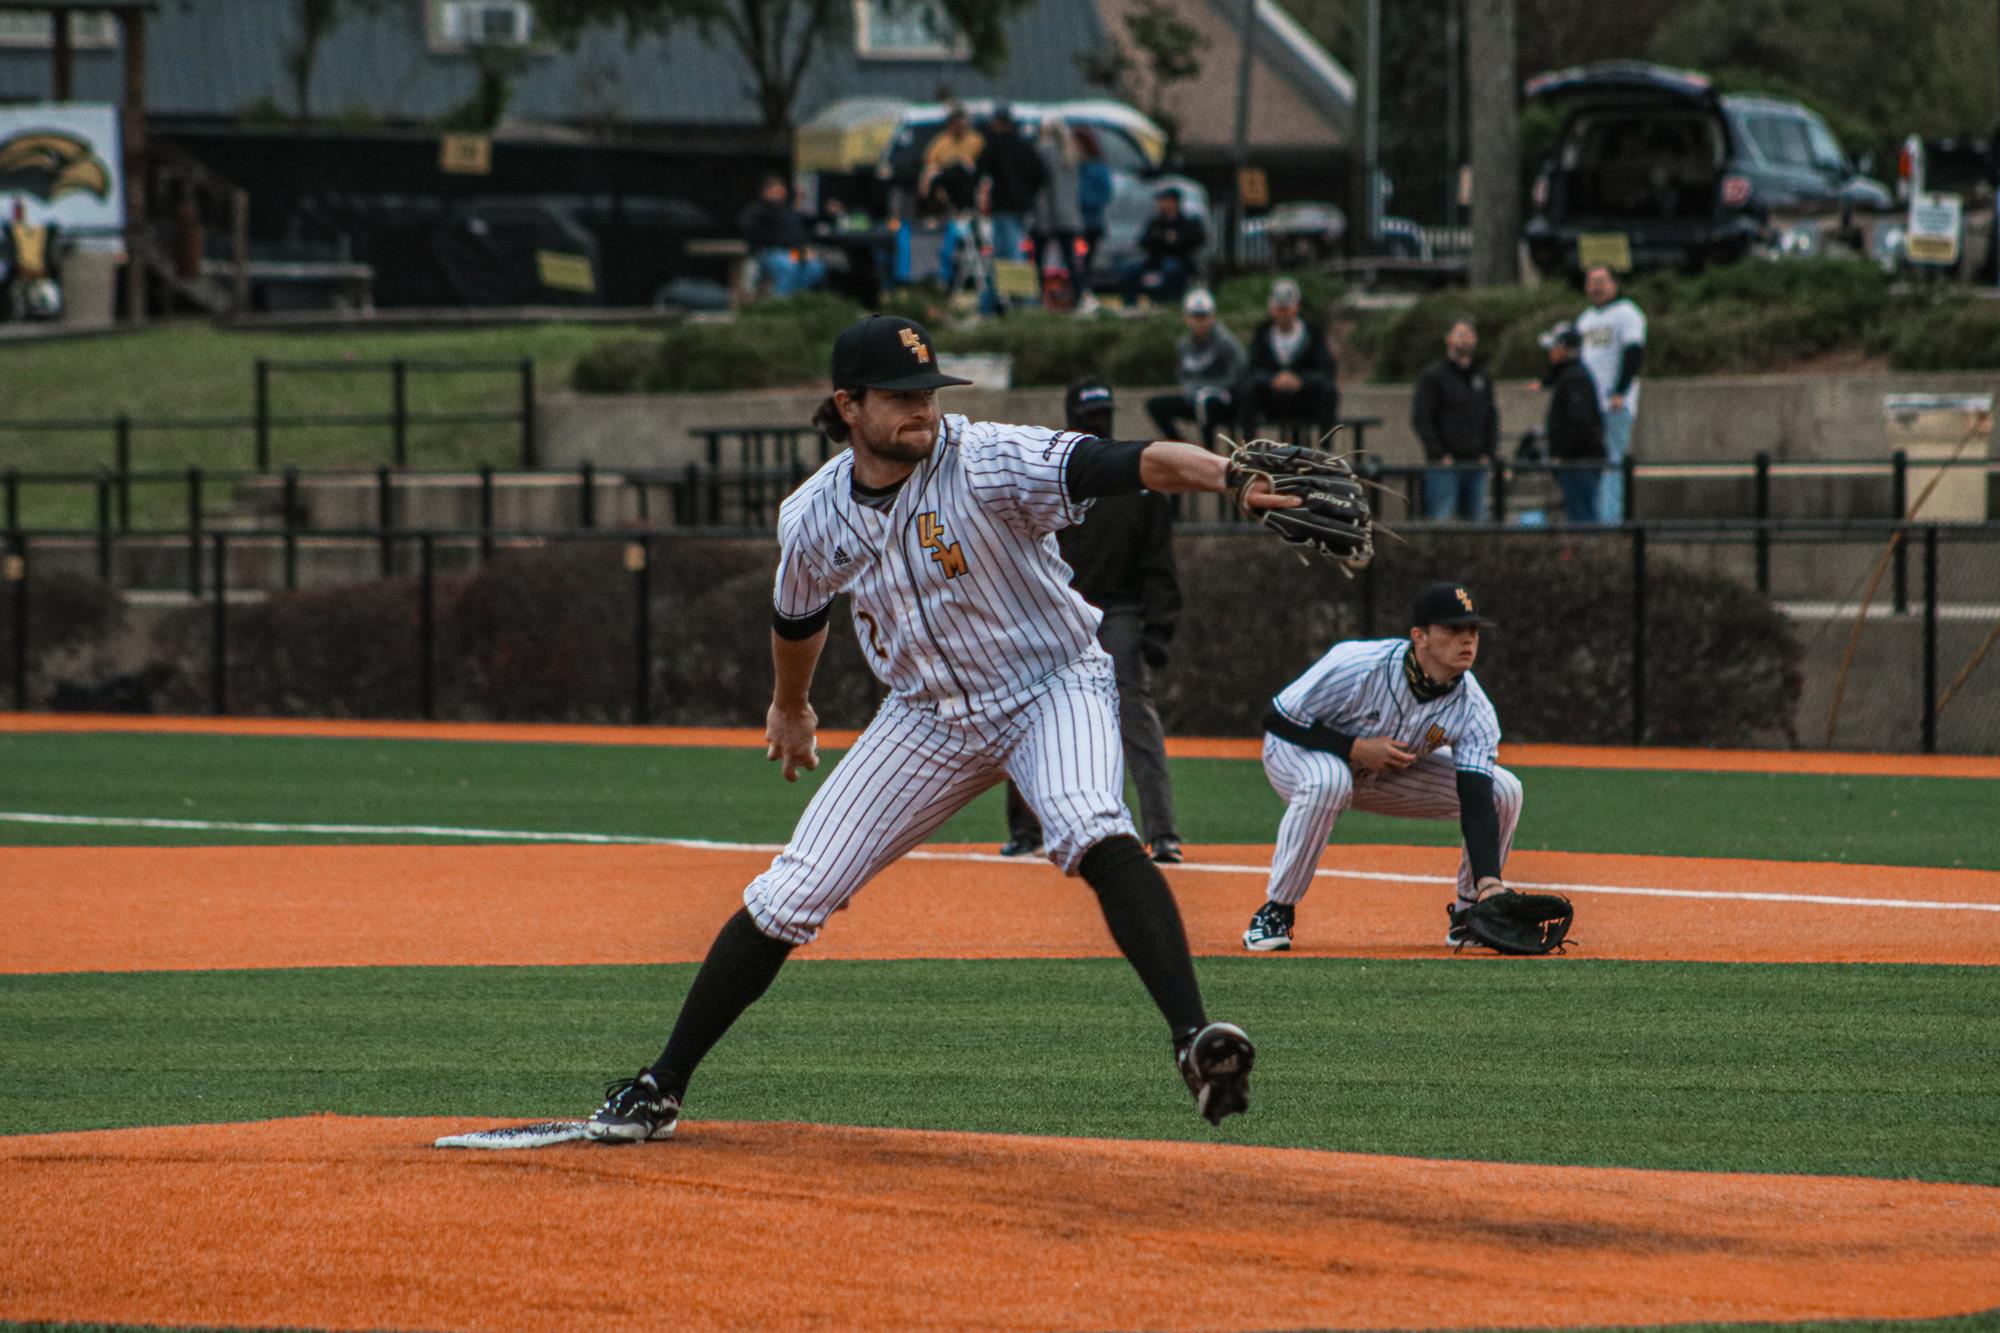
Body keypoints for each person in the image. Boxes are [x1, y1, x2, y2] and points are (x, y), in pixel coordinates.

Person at [581, 314, 1296, 1145]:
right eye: (899, 394)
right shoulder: (813, 514)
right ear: (848, 405)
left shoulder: (988, 459)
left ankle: (1191, 1041)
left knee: (1087, 821)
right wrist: (791, 705)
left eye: (928, 390)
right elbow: (796, 612)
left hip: (1049, 685)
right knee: (793, 888)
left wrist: (1229, 477)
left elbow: (1126, 461)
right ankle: (659, 1085)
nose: (922, 407)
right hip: (926, 716)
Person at [1241, 582, 1523, 953]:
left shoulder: (1474, 707)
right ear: (1419, 636)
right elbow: (1276, 717)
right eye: (1454, 629)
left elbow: (1475, 796)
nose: (1467, 640)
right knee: (1329, 780)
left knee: (1504, 790)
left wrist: (1490, 883)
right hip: (1296, 754)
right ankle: (1276, 911)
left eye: (1472, 631)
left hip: (1385, 773)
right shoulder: (1358, 665)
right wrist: (1354, 747)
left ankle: (1470, 916)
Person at [999, 378, 1185, 864]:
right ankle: (1025, 829)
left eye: (1103, 415)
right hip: (1053, 608)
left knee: (1133, 712)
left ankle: (1162, 832)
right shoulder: (1048, 476)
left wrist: (1159, 627)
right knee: (1027, 712)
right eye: (1090, 417)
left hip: (1116, 612)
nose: (1099, 424)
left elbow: (1158, 562)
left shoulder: (1137, 480)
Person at [1411, 316, 1499, 521]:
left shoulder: (1482, 376)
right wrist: (1438, 453)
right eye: (1460, 334)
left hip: (1476, 461)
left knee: (1478, 522)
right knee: (1442, 518)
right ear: (1448, 339)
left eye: (1469, 335)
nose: (1465, 340)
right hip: (1446, 464)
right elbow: (1422, 417)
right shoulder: (1433, 376)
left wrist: (1489, 451)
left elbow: (1490, 415)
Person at [1576, 265, 1646, 523]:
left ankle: (1610, 521)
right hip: (1589, 406)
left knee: (1612, 464)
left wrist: (1620, 391)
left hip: (1614, 405)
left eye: (1601, 281)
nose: (1596, 287)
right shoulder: (1585, 319)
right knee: (1592, 465)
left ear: (1614, 284)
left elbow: (1634, 352)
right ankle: (1593, 519)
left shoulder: (1626, 313)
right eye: (1591, 282)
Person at [1146, 288, 1247, 449]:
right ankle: (1183, 447)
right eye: (1195, 316)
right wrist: (1193, 391)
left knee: (1205, 403)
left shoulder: (1225, 342)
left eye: (1204, 316)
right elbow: (1183, 374)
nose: (1200, 321)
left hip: (1221, 399)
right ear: (1186, 317)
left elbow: (1238, 372)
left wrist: (1213, 389)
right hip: (1193, 396)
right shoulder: (1184, 345)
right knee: (1155, 405)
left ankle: (1208, 452)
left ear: (1212, 316)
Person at [1243, 278, 1339, 441]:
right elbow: (1251, 368)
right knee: (1246, 390)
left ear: (1296, 307)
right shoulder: (1262, 332)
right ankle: (1249, 446)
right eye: (1279, 308)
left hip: (1304, 398)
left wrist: (1300, 380)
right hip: (1272, 399)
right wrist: (1272, 379)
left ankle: (1325, 448)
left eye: (1286, 308)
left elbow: (1326, 370)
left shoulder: (1313, 333)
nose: (1283, 313)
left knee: (1329, 391)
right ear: (1271, 308)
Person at [973, 105, 1047, 311]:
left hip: (1003, 206)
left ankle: (1024, 304)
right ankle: (993, 302)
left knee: (1011, 256)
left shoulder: (994, 145)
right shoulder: (1024, 145)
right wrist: (1028, 193)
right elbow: (1040, 174)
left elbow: (979, 173)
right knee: (1006, 255)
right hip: (1022, 207)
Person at [1537, 322, 1606, 523]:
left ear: (1564, 349)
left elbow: (1581, 423)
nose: (1550, 353)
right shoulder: (1570, 375)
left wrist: (1563, 454)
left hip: (1578, 463)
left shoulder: (1574, 378)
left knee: (1582, 519)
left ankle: (1589, 554)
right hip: (1578, 461)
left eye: (1554, 348)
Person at [738, 175, 825, 298]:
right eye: (776, 190)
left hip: (794, 251)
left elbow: (801, 233)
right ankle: (780, 304)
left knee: (816, 266)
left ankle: (797, 299)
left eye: (781, 190)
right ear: (766, 191)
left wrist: (806, 250)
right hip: (770, 252)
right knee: (788, 266)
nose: (780, 193)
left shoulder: (789, 211)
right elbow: (755, 235)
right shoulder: (756, 211)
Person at [1117, 187, 1205, 309]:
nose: (1160, 204)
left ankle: (1170, 304)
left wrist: (1170, 241)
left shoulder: (1187, 222)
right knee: (1128, 269)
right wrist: (1166, 240)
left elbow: (1192, 241)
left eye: (1164, 200)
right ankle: (1130, 305)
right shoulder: (1155, 222)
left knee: (1170, 268)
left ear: (1174, 202)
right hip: (1155, 260)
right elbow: (1144, 241)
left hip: (1179, 262)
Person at [1029, 117, 1084, 309]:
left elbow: (1043, 189)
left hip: (1048, 215)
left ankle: (1036, 301)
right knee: (1071, 260)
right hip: (1068, 214)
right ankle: (1078, 298)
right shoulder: (1070, 153)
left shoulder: (1045, 152)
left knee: (1038, 261)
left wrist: (1039, 217)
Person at [1074, 127, 1113, 313]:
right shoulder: (1074, 167)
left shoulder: (1096, 168)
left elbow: (1105, 194)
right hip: (1075, 222)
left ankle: (1084, 292)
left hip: (1091, 222)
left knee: (1086, 262)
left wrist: (1082, 201)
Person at [918, 106, 984, 212]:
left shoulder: (976, 139)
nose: (959, 125)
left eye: (962, 122)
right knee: (929, 177)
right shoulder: (941, 141)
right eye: (956, 122)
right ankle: (929, 209)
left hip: (969, 177)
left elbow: (982, 161)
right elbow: (930, 162)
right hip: (947, 176)